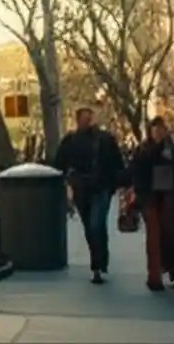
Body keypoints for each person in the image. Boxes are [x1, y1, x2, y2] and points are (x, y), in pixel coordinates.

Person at [53, 106, 125, 284]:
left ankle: (98, 265)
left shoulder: (105, 139)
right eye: (84, 119)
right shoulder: (70, 141)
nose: (88, 122)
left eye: (89, 118)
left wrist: (118, 185)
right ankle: (100, 260)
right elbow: (59, 164)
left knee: (95, 223)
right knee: (90, 226)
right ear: (78, 120)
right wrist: (66, 184)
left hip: (101, 188)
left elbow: (117, 163)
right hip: (81, 189)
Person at [129, 117, 174, 292]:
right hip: (150, 198)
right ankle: (155, 276)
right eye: (155, 129)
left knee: (171, 233)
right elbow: (136, 172)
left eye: (161, 129)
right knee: (154, 237)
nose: (158, 133)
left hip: (170, 198)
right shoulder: (143, 150)